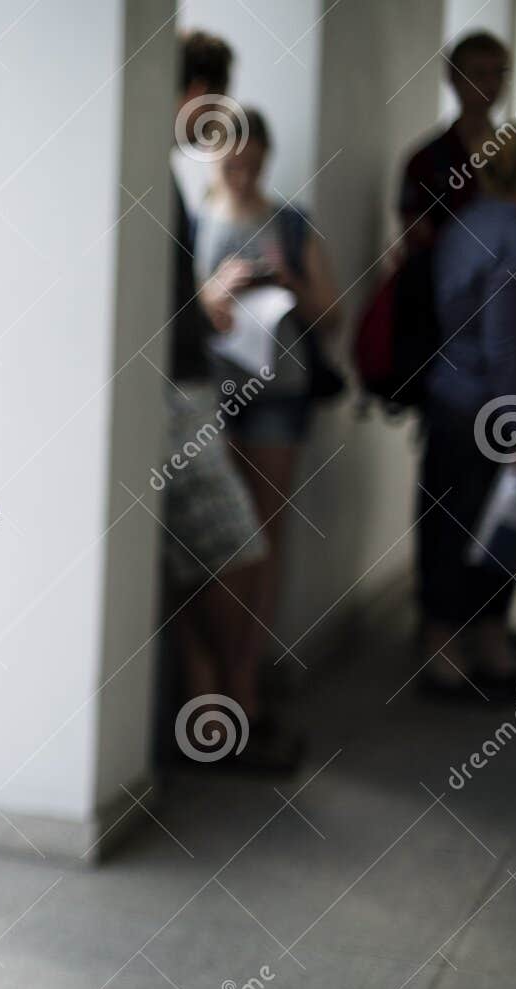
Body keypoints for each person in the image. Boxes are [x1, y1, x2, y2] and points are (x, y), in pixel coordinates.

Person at [194, 108, 342, 754]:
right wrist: (213, 295)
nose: (243, 172)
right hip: (209, 400)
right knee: (216, 544)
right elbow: (169, 315)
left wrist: (288, 281)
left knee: (264, 538)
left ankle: (247, 678)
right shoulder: (192, 221)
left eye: (254, 161)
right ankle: (209, 687)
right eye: (232, 160)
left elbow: (332, 315)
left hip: (278, 397)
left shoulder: (290, 222)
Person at [163, 31, 289, 770]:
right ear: (194, 91)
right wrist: (201, 307)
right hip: (175, 396)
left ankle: (216, 719)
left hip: (182, 389)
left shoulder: (161, 176)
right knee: (233, 551)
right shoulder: (157, 178)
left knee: (197, 563)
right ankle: (229, 714)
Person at [417, 126, 516, 701]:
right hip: (492, 412)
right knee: (489, 535)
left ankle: (462, 651)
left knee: (449, 531)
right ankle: (461, 661)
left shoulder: (469, 222)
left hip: (453, 401)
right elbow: (507, 341)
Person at [399, 31, 510, 250]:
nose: (491, 84)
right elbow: (416, 236)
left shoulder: (515, 153)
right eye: (479, 74)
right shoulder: (425, 161)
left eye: (499, 73)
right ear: (455, 78)